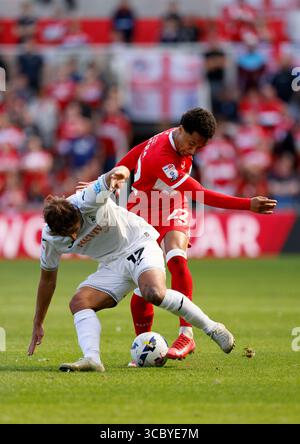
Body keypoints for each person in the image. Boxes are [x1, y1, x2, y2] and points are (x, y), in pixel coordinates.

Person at [27, 165, 236, 372]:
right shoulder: (50, 239)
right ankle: (92, 359)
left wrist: (117, 177)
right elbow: (47, 280)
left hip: (138, 243)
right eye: (68, 236)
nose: (74, 237)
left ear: (77, 213)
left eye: (75, 230)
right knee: (79, 303)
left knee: (153, 293)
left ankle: (213, 328)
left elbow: (122, 171)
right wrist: (38, 323)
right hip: (111, 264)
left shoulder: (88, 199)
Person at [113, 108, 277, 362]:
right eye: (191, 143)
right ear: (181, 130)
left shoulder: (171, 137)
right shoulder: (162, 157)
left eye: (198, 147)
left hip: (173, 205)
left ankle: (186, 335)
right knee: (143, 287)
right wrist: (248, 204)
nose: (192, 151)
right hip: (143, 211)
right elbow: (201, 193)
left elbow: (130, 157)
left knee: (177, 259)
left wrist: (113, 175)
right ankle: (143, 346)